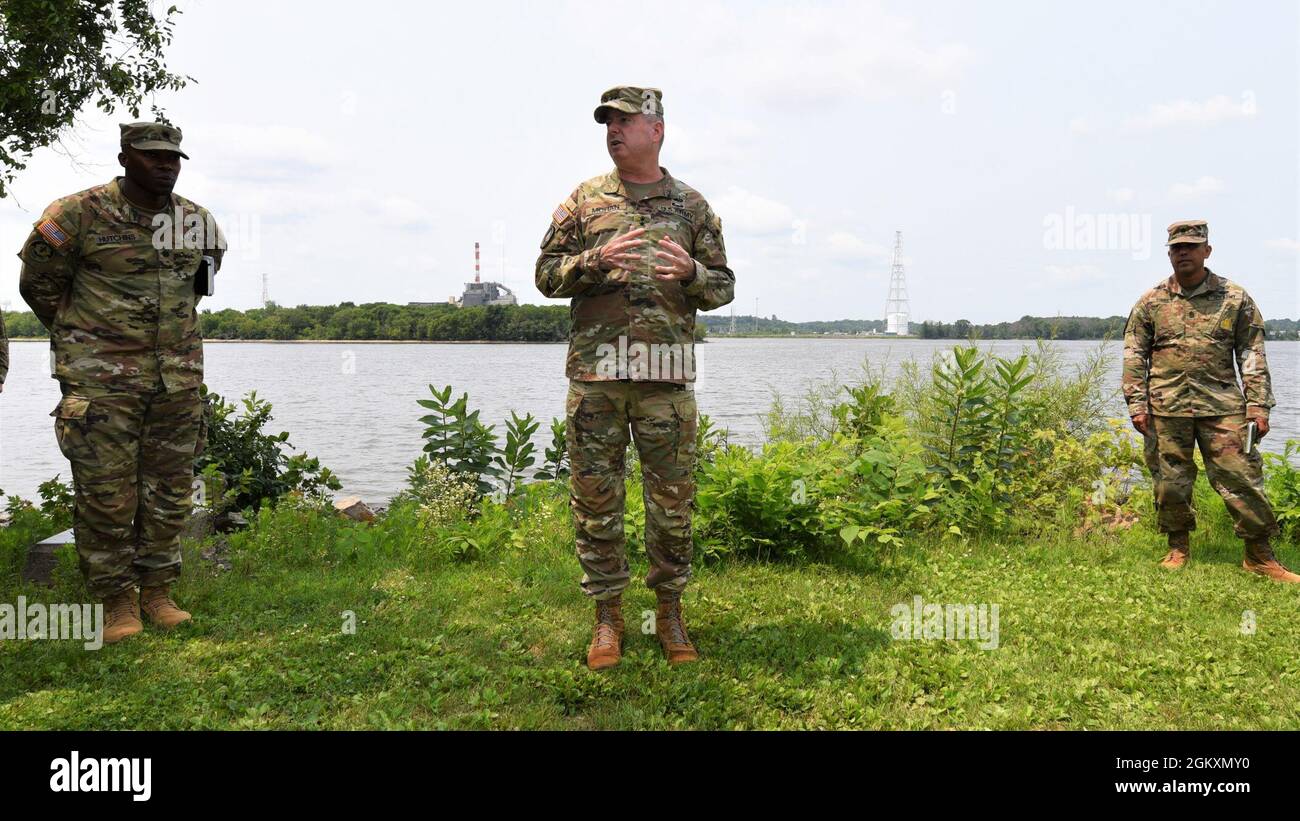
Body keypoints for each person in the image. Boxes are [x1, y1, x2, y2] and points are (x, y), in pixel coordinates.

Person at [535, 86, 735, 669]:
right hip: (597, 378)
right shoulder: (584, 201)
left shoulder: (692, 207)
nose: (614, 131)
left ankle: (670, 613)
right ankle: (607, 618)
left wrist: (693, 272)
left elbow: (723, 288)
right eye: (608, 123)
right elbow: (546, 276)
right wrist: (596, 261)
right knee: (596, 501)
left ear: (657, 130)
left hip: (665, 380)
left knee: (671, 502)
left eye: (625, 121)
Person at [18, 122, 226, 642]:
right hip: (101, 383)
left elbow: (197, 287)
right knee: (106, 493)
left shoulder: (196, 221)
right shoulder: (77, 214)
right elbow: (39, 286)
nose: (166, 165)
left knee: (170, 492)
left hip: (175, 381)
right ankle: (117, 602)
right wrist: (88, 339)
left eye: (174, 158)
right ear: (125, 158)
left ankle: (158, 593)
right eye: (153, 156)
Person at [1122, 219, 1294, 582]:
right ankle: (1178, 548)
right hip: (1166, 407)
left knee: (1242, 476)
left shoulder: (1235, 299)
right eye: (1176, 247)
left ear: (1206, 251)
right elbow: (1134, 355)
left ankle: (1259, 556)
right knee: (1170, 481)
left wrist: (1258, 405)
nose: (1182, 252)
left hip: (1223, 406)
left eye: (1190, 246)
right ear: (1169, 254)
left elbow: (1252, 352)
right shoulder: (1151, 302)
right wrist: (1137, 404)